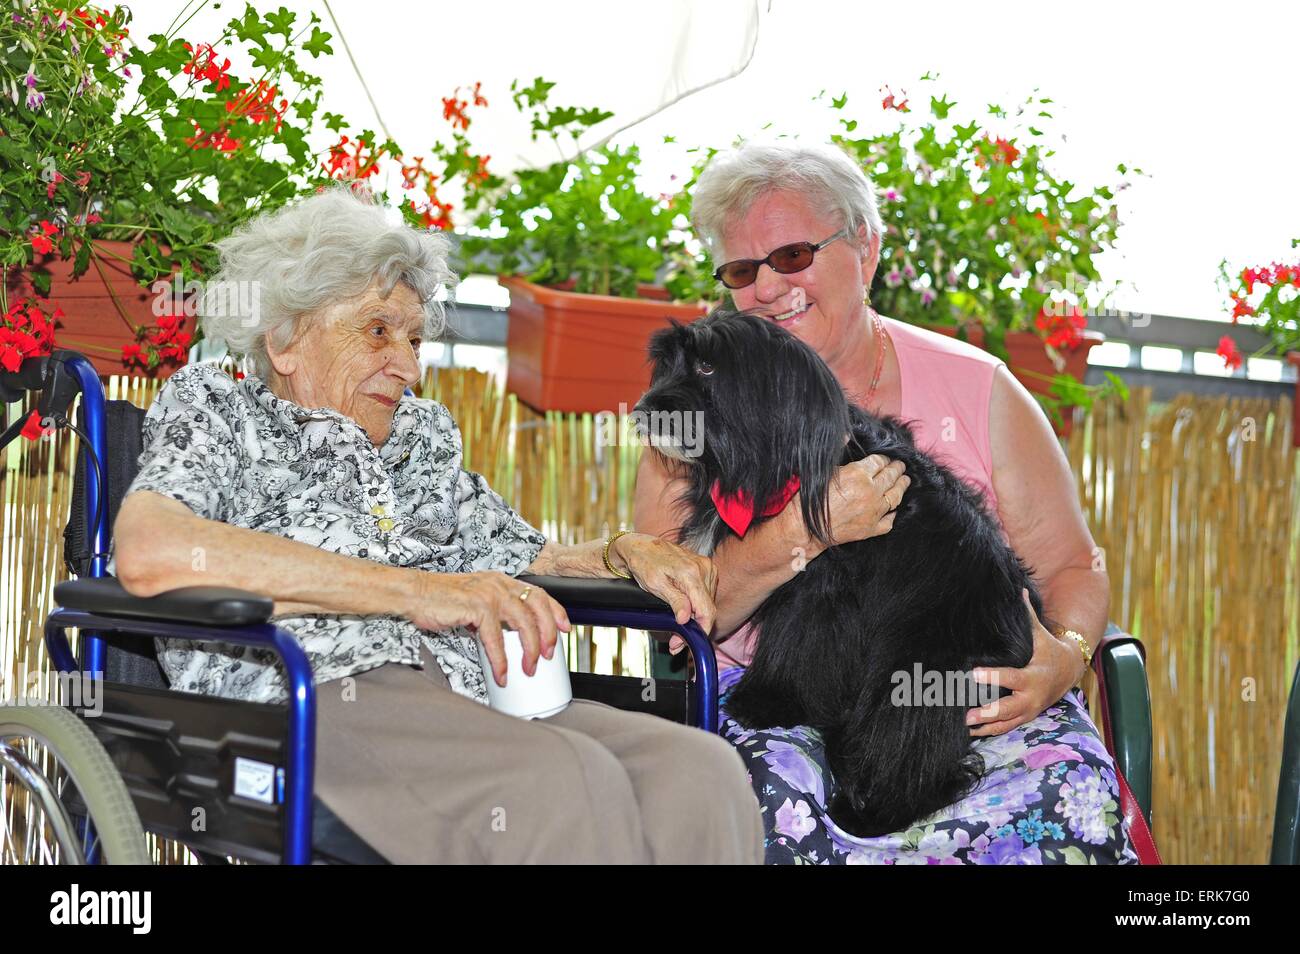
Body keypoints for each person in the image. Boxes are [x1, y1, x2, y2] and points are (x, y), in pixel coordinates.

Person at [111, 184, 763, 864]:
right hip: (309, 697)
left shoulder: (422, 435)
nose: (410, 366)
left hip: (469, 696)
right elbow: (152, 552)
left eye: (415, 338)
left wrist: (624, 552)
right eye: (378, 330)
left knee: (699, 774)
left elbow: (530, 555)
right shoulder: (221, 409)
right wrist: (423, 593)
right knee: (560, 783)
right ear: (284, 339)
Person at [634, 142, 1136, 864]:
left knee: (1067, 795)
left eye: (794, 255)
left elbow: (1072, 568)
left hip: (957, 704)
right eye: (744, 270)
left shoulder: (981, 390)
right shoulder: (689, 416)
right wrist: (806, 533)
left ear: (865, 251)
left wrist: (1067, 655)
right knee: (762, 817)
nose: (770, 288)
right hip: (764, 707)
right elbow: (668, 615)